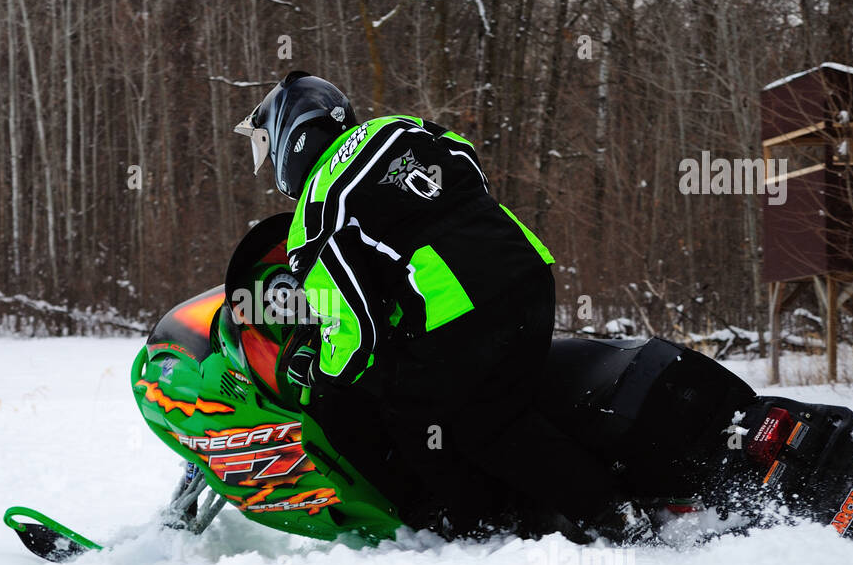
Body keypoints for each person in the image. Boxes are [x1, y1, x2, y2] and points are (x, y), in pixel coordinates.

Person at [234, 71, 618, 538]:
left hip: (463, 312)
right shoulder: (401, 127)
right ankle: (550, 509)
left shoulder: (317, 212)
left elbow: (355, 333)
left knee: (441, 418)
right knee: (505, 404)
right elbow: (467, 160)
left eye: (270, 147)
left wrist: (322, 376)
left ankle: (507, 525)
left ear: (292, 138)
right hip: (529, 271)